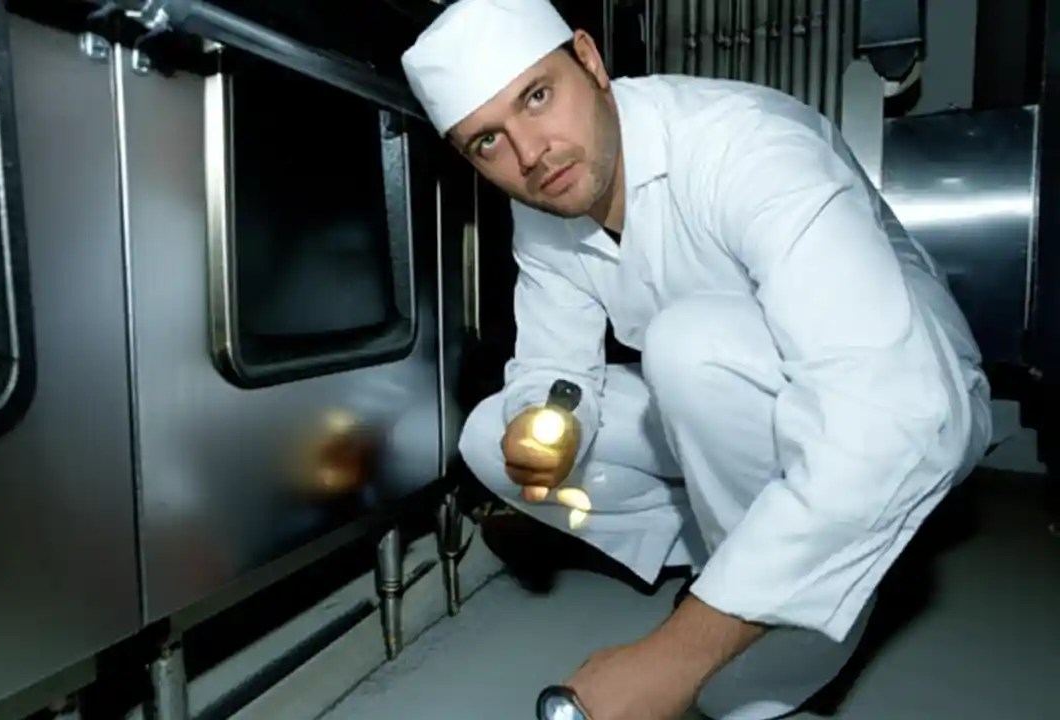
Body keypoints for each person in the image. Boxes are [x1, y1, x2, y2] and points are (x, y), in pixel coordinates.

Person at [400, 0, 993, 718]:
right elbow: (557, 366)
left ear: (589, 60)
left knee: (689, 349)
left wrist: (676, 653)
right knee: (488, 437)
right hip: (719, 399)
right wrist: (543, 422)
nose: (531, 154)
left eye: (537, 96)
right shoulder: (546, 198)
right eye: (487, 141)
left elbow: (896, 410)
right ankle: (731, 549)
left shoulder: (746, 142)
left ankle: (796, 593)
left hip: (908, 398)